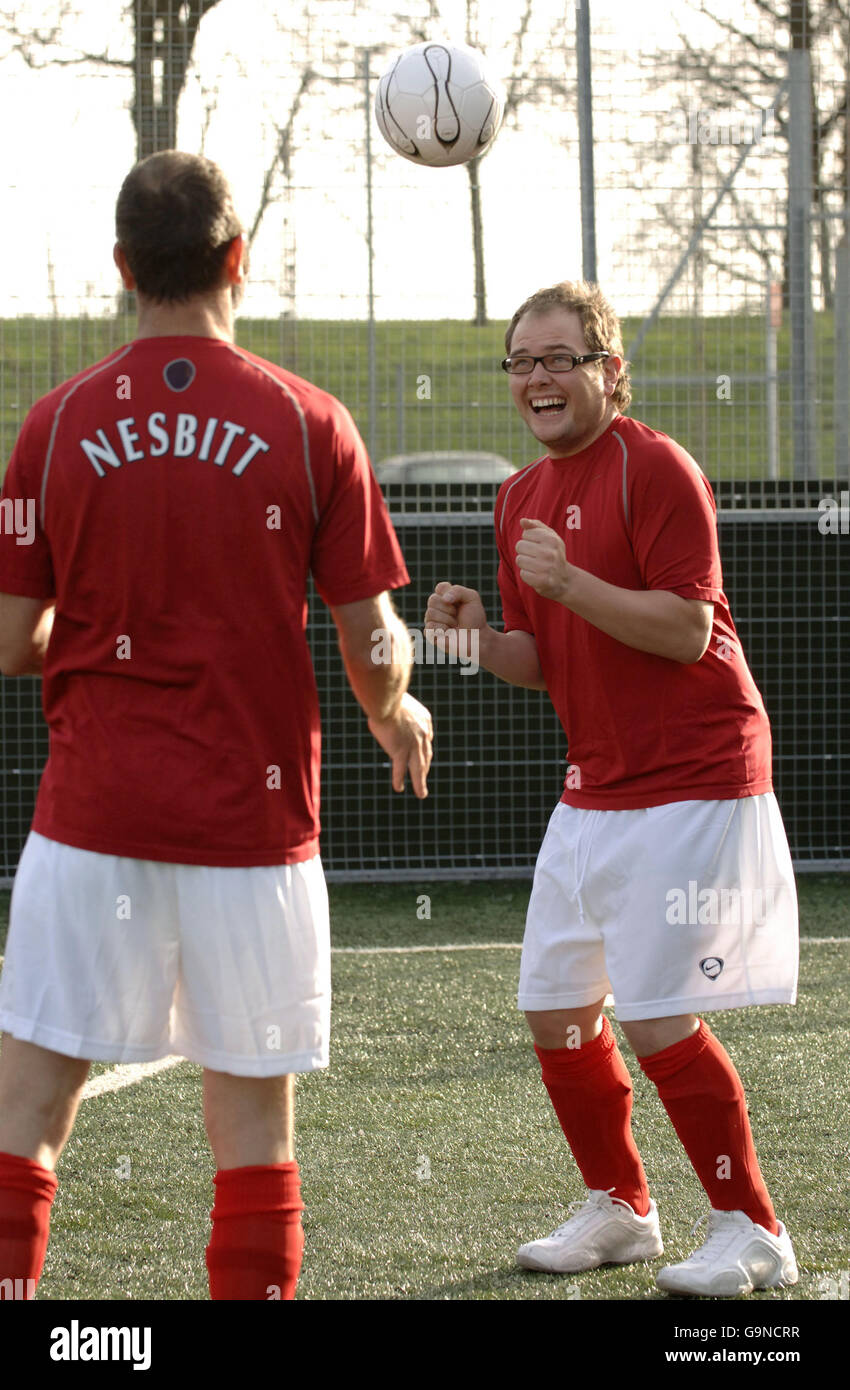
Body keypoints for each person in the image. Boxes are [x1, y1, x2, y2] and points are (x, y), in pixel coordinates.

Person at [0, 150, 432, 1302]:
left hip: (90, 821)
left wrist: (103, 631)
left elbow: (9, 639)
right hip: (254, 829)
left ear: (121, 267)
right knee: (251, 1129)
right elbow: (370, 637)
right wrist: (393, 706)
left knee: (26, 1108)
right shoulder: (308, 420)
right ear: (237, 257)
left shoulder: (55, 423)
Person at [424, 280, 799, 1298]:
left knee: (656, 1012)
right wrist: (473, 638)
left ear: (610, 370)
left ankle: (753, 1227)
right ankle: (622, 1209)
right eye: (522, 362)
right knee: (555, 1008)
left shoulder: (655, 466)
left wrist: (569, 584)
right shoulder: (517, 496)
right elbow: (541, 658)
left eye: (561, 358)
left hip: (695, 775)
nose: (538, 378)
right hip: (595, 787)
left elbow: (686, 630)